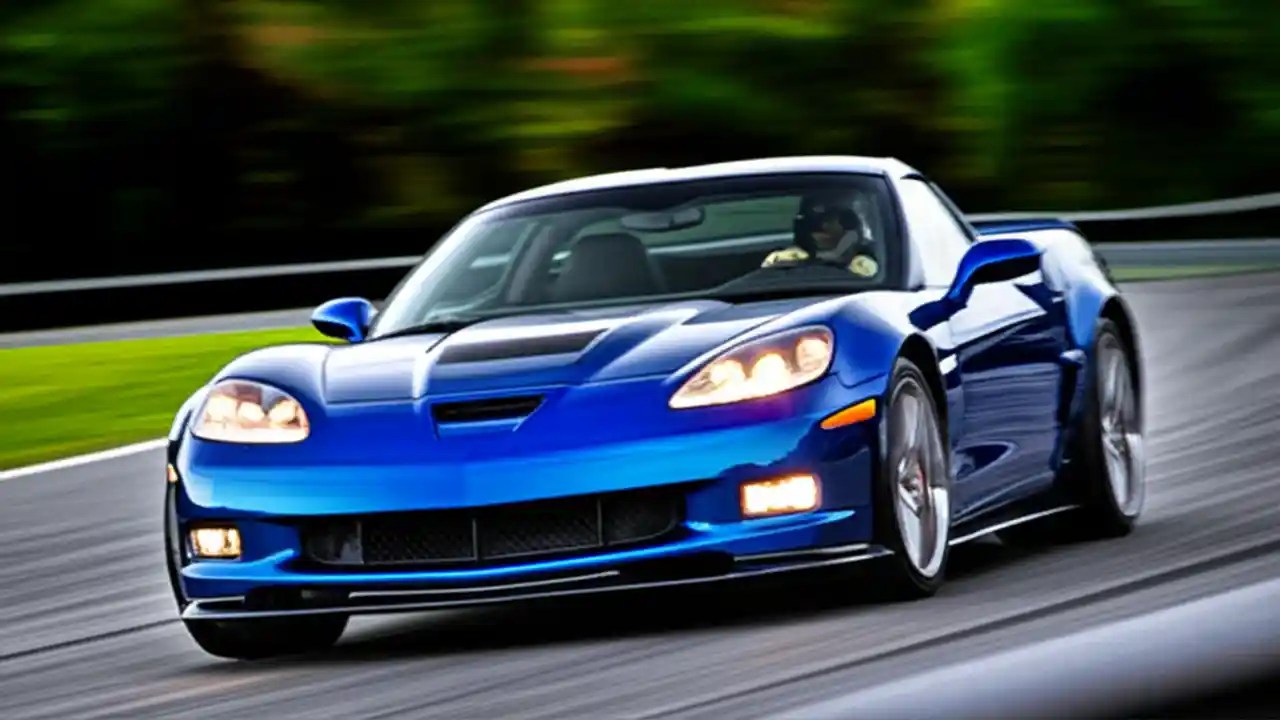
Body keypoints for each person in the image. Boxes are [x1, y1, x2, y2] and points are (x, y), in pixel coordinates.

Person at [761, 190, 880, 277]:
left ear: (849, 225)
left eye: (829, 218)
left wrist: (838, 255)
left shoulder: (863, 264)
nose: (822, 226)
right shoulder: (782, 258)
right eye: (814, 220)